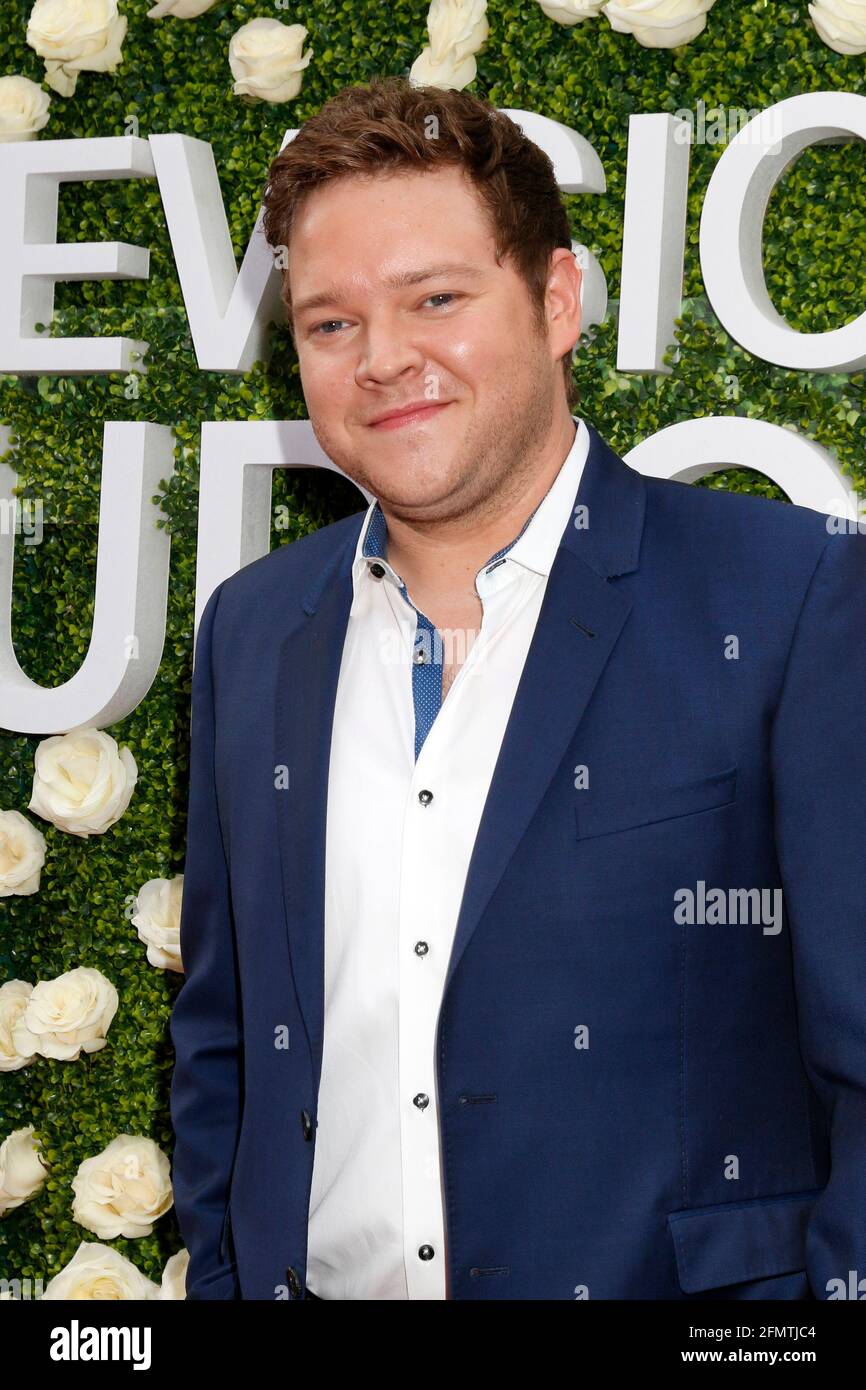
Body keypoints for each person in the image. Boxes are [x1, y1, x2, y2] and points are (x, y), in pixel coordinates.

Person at [169, 76, 866, 1301]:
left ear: (555, 301)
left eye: (434, 299)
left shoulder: (786, 598)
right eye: (330, 325)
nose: (384, 359)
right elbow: (227, 1037)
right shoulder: (252, 630)